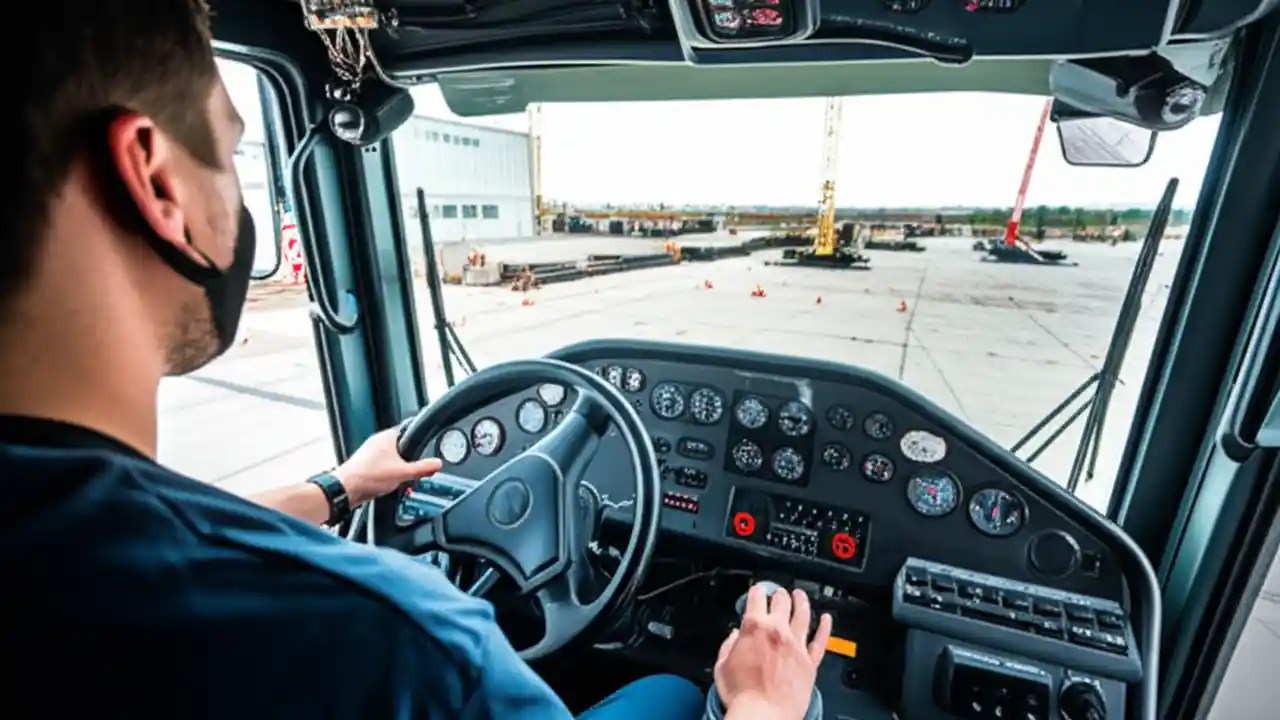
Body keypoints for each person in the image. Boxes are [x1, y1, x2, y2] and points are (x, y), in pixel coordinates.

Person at [0, 1, 828, 717]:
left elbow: (177, 533)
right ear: (157, 180)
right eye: (228, 149)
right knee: (679, 696)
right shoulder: (408, 646)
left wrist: (338, 487)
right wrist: (759, 704)